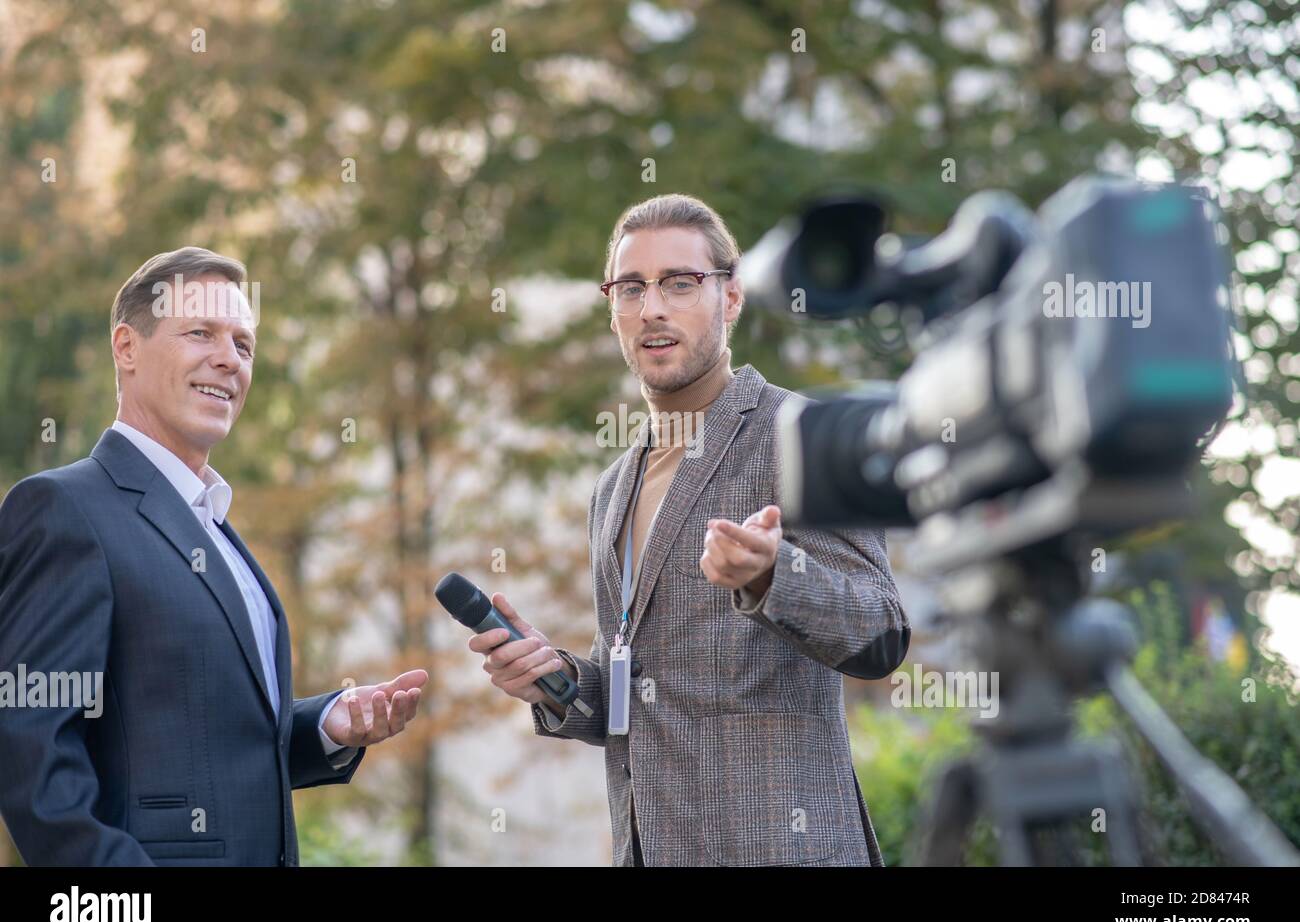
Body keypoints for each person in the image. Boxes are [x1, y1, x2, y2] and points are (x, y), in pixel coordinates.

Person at [470, 196, 911, 866]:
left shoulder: (800, 437)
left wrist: (772, 576)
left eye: (680, 283)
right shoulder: (612, 488)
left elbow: (881, 633)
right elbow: (634, 698)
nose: (652, 307)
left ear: (731, 299)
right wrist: (554, 678)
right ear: (613, 309)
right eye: (630, 288)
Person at [0, 247, 427, 865]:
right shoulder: (64, 509)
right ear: (127, 348)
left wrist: (326, 726)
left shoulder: (214, 528)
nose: (228, 358)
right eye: (200, 332)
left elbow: (215, 746)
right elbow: (30, 756)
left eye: (244, 344)